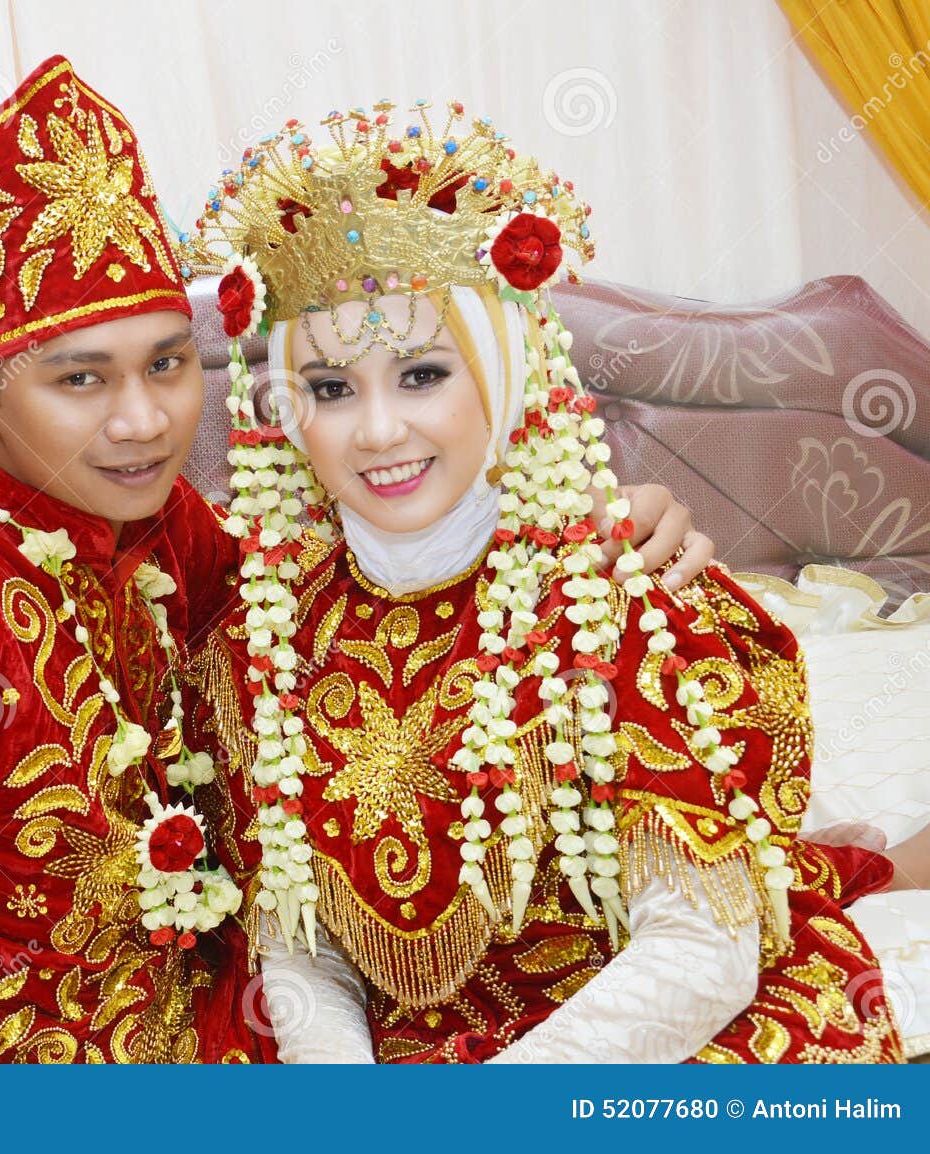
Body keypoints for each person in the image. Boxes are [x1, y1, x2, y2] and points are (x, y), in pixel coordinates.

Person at [0, 61, 703, 1064]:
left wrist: (585, 520)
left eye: (163, 362)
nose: (143, 421)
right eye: (80, 379)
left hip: (249, 1037)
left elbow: (384, 582)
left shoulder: (178, 535)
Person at [187, 99, 913, 1063]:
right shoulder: (265, 636)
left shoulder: (623, 590)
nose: (375, 433)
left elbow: (702, 950)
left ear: (504, 373)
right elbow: (300, 945)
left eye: (421, 375)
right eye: (329, 389)